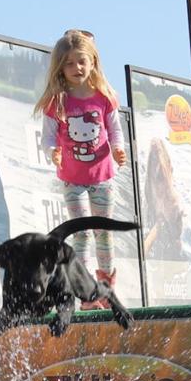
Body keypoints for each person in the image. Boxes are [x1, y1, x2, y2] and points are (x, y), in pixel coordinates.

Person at [35, 29, 128, 307]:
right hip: (72, 180)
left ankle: (106, 288)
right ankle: (86, 293)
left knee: (103, 232)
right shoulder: (58, 101)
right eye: (70, 63)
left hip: (102, 177)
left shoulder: (103, 96)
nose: (77, 68)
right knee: (83, 233)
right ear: (60, 67)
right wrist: (51, 151)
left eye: (82, 61)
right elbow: (48, 136)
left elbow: (114, 129)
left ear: (93, 62)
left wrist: (117, 149)